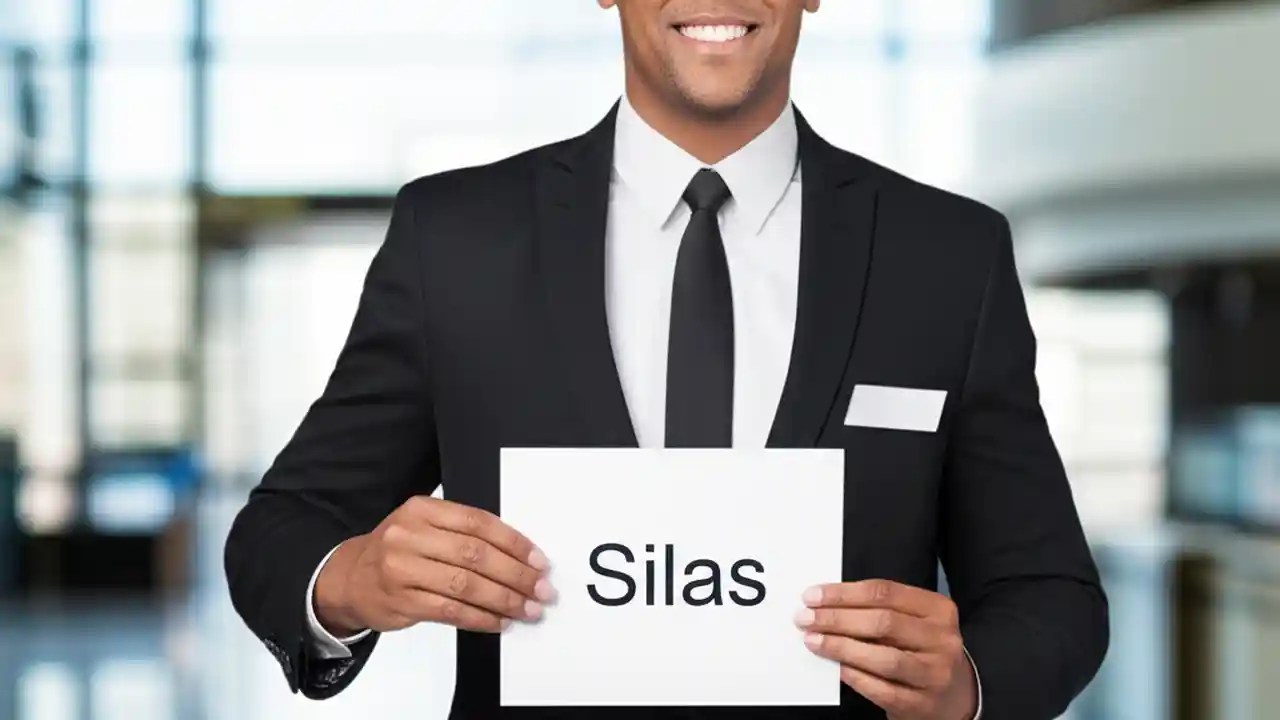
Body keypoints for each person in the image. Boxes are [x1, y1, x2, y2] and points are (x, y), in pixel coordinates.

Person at [224, 1, 1109, 718]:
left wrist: (968, 688)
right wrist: (352, 579)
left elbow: (1052, 595)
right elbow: (279, 530)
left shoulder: (948, 257)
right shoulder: (455, 240)